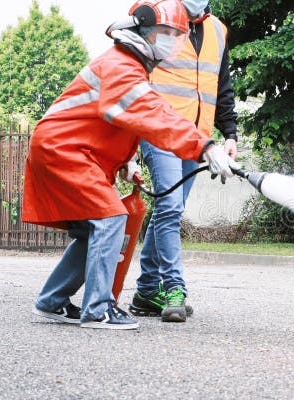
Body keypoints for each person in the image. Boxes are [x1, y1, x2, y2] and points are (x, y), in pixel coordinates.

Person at [25, 0, 238, 330]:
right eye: (164, 32)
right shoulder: (123, 65)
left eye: (176, 34)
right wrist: (205, 145)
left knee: (89, 230)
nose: (171, 39)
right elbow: (151, 112)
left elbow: (119, 120)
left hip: (67, 149)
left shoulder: (133, 65)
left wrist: (126, 161)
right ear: (143, 30)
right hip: (64, 150)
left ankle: (51, 301)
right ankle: (97, 310)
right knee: (111, 219)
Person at [129, 0, 238, 323]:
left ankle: (147, 289)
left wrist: (229, 134)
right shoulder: (154, 17)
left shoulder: (217, 29)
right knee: (171, 208)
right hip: (159, 130)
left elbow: (222, 86)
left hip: (196, 139)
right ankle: (174, 288)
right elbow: (133, 79)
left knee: (168, 207)